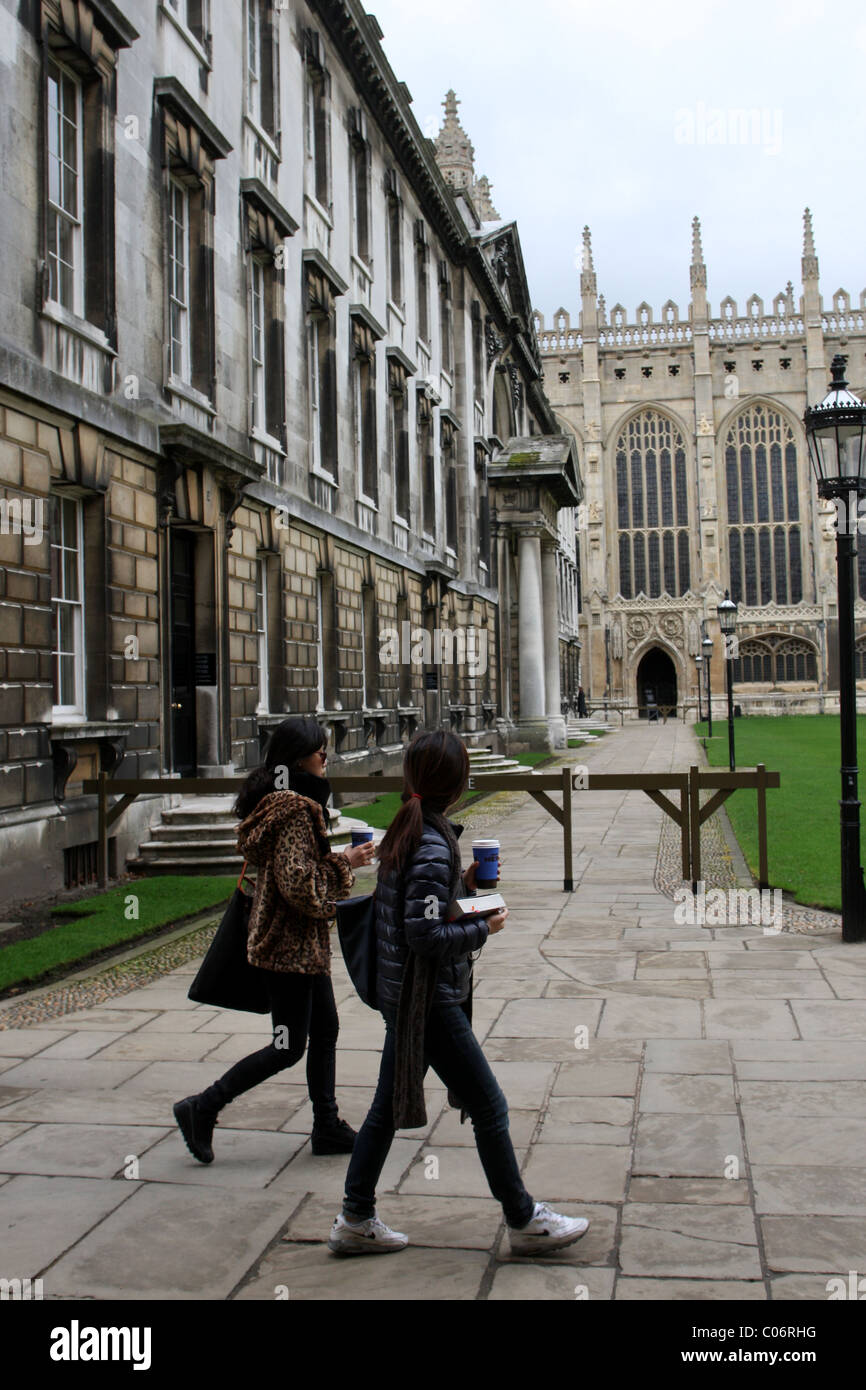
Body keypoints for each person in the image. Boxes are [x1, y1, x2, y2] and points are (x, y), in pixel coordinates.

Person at [327, 728, 590, 1257]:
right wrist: (483, 927)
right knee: (488, 1105)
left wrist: (464, 888)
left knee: (384, 1108)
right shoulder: (429, 841)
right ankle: (523, 1221)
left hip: (408, 997)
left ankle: (355, 1218)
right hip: (429, 1001)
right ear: (456, 781)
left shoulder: (414, 830)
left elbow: (418, 911)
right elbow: (425, 936)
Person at [173, 716, 375, 1163]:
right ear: (297, 758)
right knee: (288, 1046)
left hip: (298, 945)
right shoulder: (296, 811)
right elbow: (299, 885)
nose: (327, 757)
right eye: (320, 750)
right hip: (289, 948)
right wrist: (345, 864)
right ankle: (201, 1107)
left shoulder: (286, 804)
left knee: (326, 1029)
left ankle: (327, 1125)